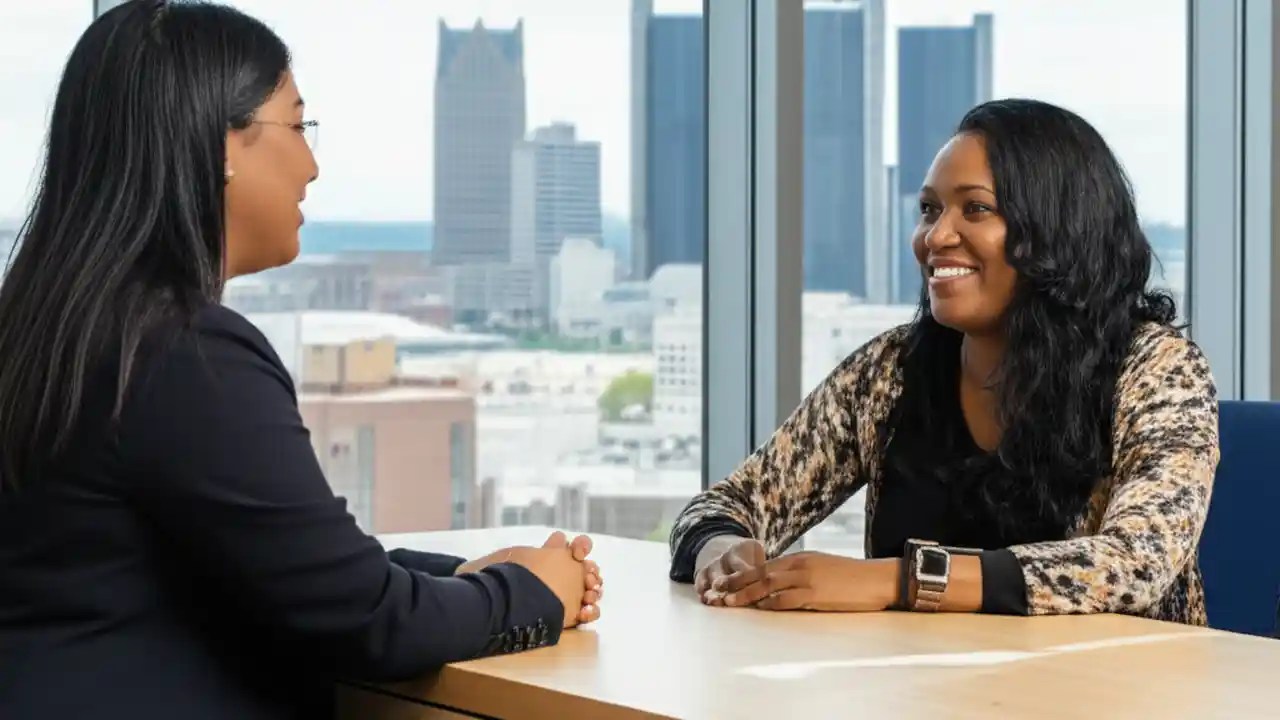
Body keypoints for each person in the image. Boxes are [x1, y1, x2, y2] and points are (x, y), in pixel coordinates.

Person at [0, 2, 602, 718]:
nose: (312, 166)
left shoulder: (54, 332)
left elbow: (259, 562)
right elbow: (371, 622)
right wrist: (535, 595)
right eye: (297, 125)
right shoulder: (187, 355)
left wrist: (464, 577)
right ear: (222, 144)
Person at [670, 98, 1218, 624]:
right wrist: (723, 552)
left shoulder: (1158, 369)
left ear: (1058, 232)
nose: (936, 236)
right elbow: (729, 503)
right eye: (930, 209)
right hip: (923, 691)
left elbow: (1136, 561)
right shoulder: (891, 369)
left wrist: (901, 581)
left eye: (975, 209)